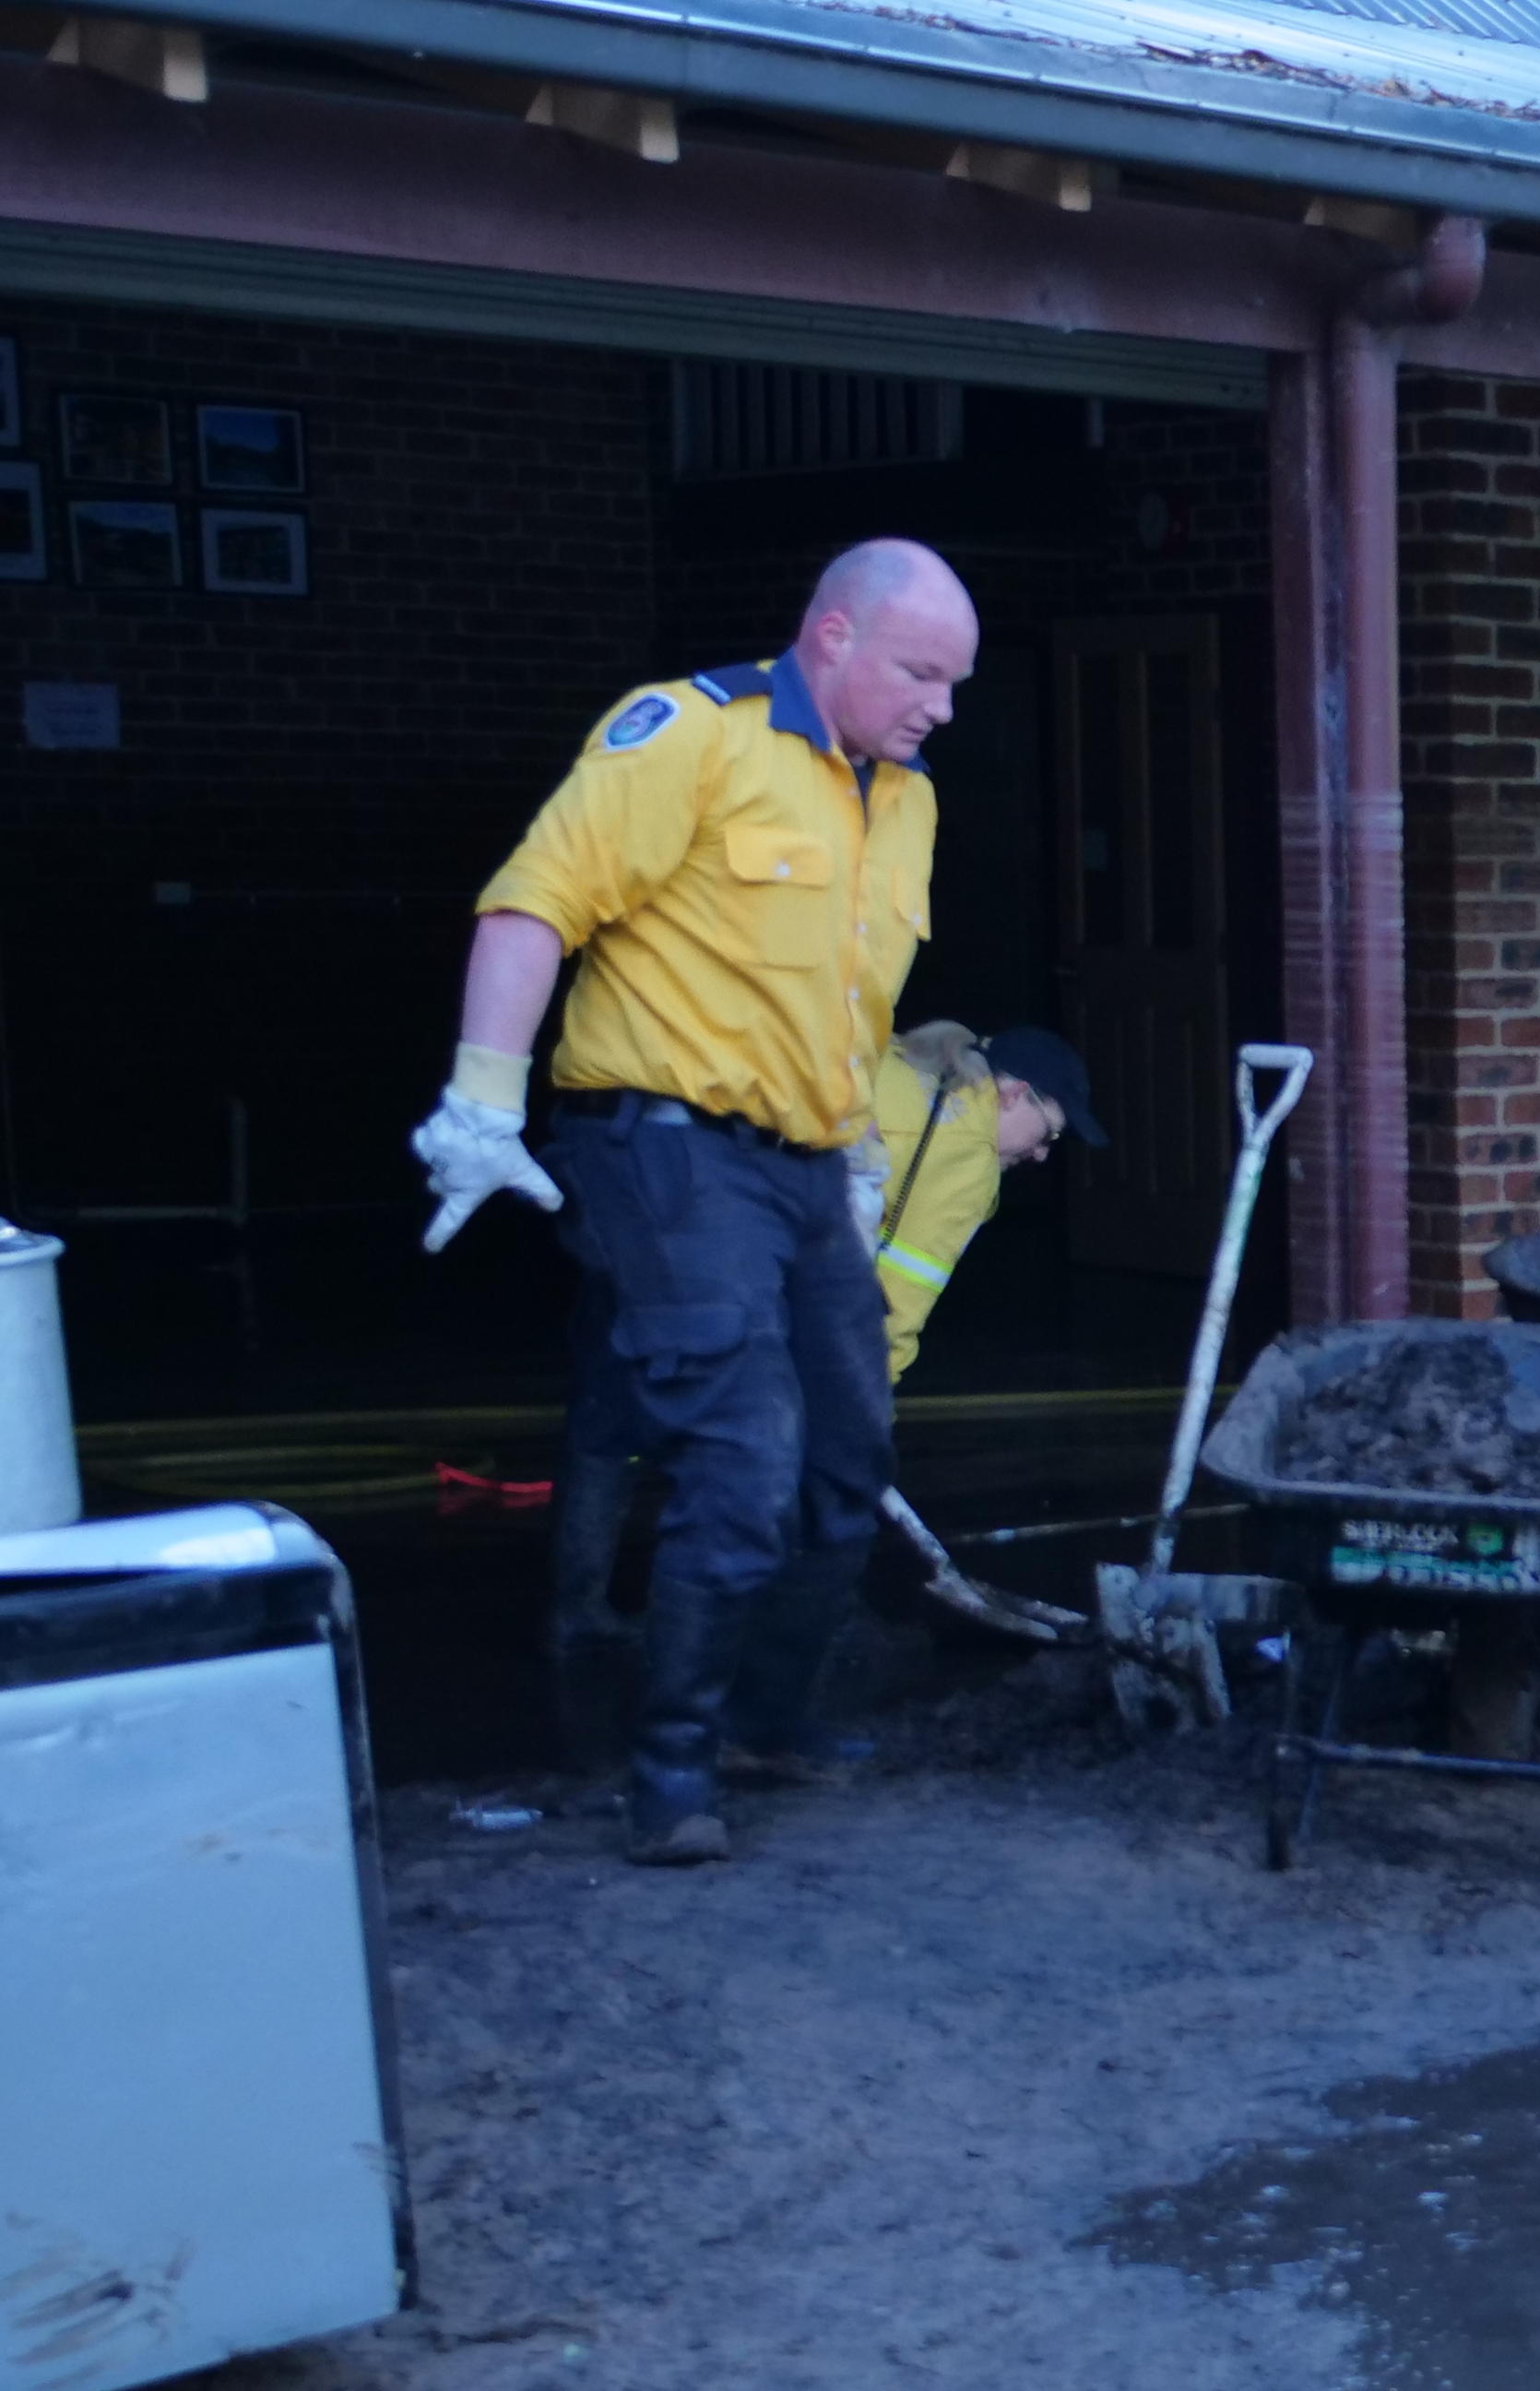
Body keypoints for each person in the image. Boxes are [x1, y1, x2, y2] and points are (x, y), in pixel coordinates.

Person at [416, 537, 976, 1866]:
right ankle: (668, 1770)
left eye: (956, 682)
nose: (941, 706)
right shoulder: (691, 735)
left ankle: (771, 1719)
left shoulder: (906, 799)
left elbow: (849, 1002)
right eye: (920, 672)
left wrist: (850, 1155)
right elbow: (529, 909)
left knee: (849, 1459)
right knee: (744, 1454)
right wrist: (481, 1102)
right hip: (665, 1149)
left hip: (800, 1163)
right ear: (830, 636)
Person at [864, 1019, 1100, 1383]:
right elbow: (895, 1306)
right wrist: (871, 1407)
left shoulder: (899, 1059)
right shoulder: (970, 1153)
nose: (1041, 1155)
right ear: (1015, 1093)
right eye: (1049, 1134)